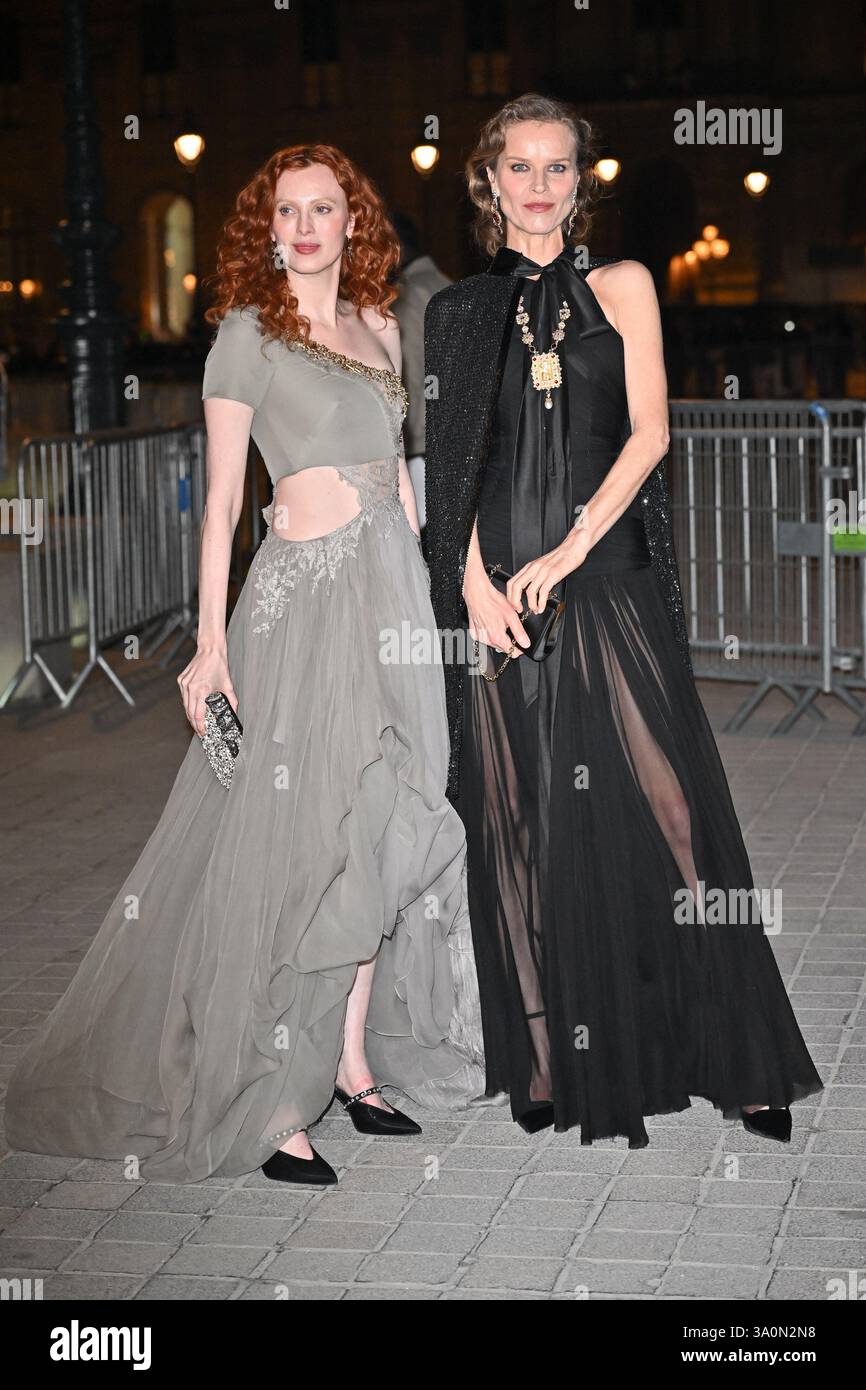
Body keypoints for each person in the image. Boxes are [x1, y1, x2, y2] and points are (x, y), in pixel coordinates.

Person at [5, 144, 473, 1186]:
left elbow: (400, 483)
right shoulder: (244, 338)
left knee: (382, 832)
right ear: (263, 227)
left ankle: (348, 1064)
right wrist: (208, 644)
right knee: (294, 845)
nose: (302, 226)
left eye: (322, 208)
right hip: (300, 613)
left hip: (389, 606)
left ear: (354, 222)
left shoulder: (382, 326)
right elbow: (221, 505)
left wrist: (438, 613)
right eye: (284, 211)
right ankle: (269, 1096)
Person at [423, 94, 824, 1149]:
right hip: (497, 590)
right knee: (514, 822)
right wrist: (469, 586)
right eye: (520, 166)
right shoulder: (459, 313)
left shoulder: (625, 285)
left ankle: (737, 1054)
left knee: (672, 801)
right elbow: (449, 467)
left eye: (558, 167)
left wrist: (566, 552)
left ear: (579, 180)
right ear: (489, 181)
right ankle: (548, 1056)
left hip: (605, 575)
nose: (540, 184)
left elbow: (647, 435)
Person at [389, 212, 451, 531]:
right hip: (450, 444)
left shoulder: (406, 298)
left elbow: (408, 381)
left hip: (420, 449)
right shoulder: (448, 287)